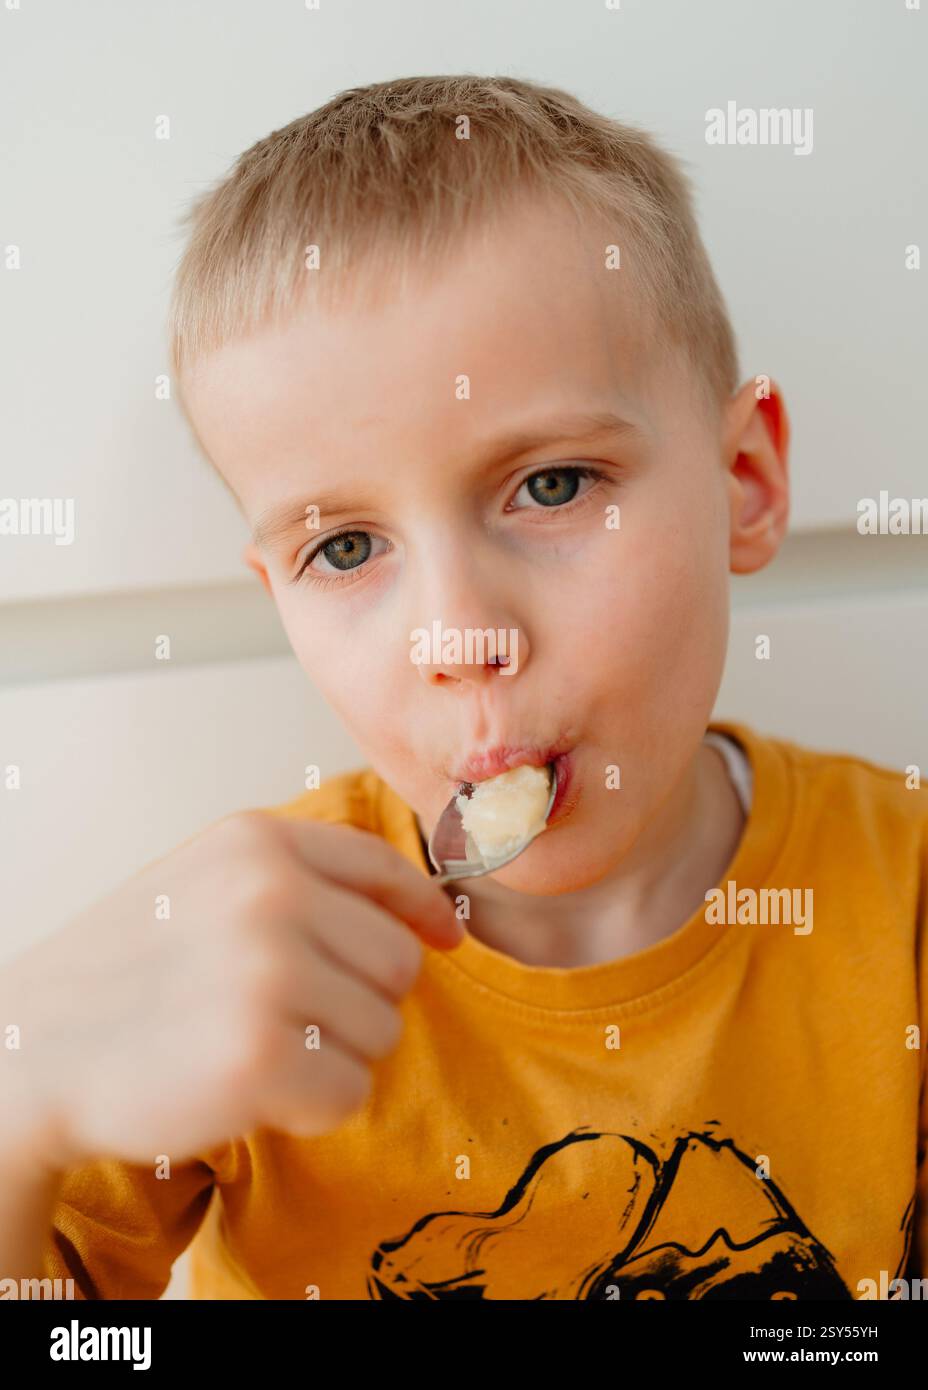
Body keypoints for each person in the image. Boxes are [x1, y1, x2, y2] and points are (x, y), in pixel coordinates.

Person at [2, 75, 924, 1301]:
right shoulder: (235, 971)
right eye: (343, 549)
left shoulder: (898, 902)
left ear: (744, 480)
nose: (462, 637)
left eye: (550, 486)